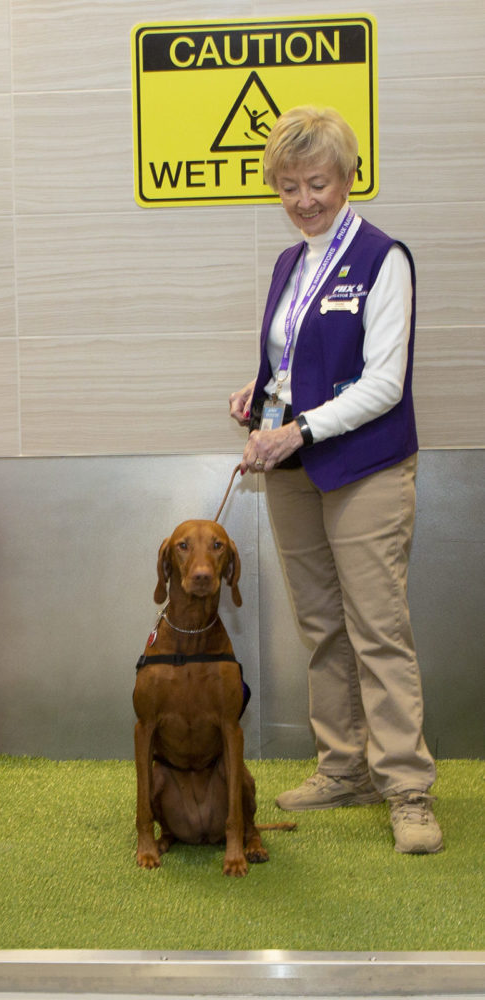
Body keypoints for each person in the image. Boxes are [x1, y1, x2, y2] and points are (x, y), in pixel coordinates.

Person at [229, 106, 442, 854]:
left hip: (366, 467)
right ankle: (343, 765)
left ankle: (408, 789)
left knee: (377, 629)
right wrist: (258, 396)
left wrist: (301, 427)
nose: (303, 200)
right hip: (293, 468)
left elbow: (384, 383)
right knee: (322, 627)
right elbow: (294, 364)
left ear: (348, 177)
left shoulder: (384, 258)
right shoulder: (291, 262)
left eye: (316, 183)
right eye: (288, 186)